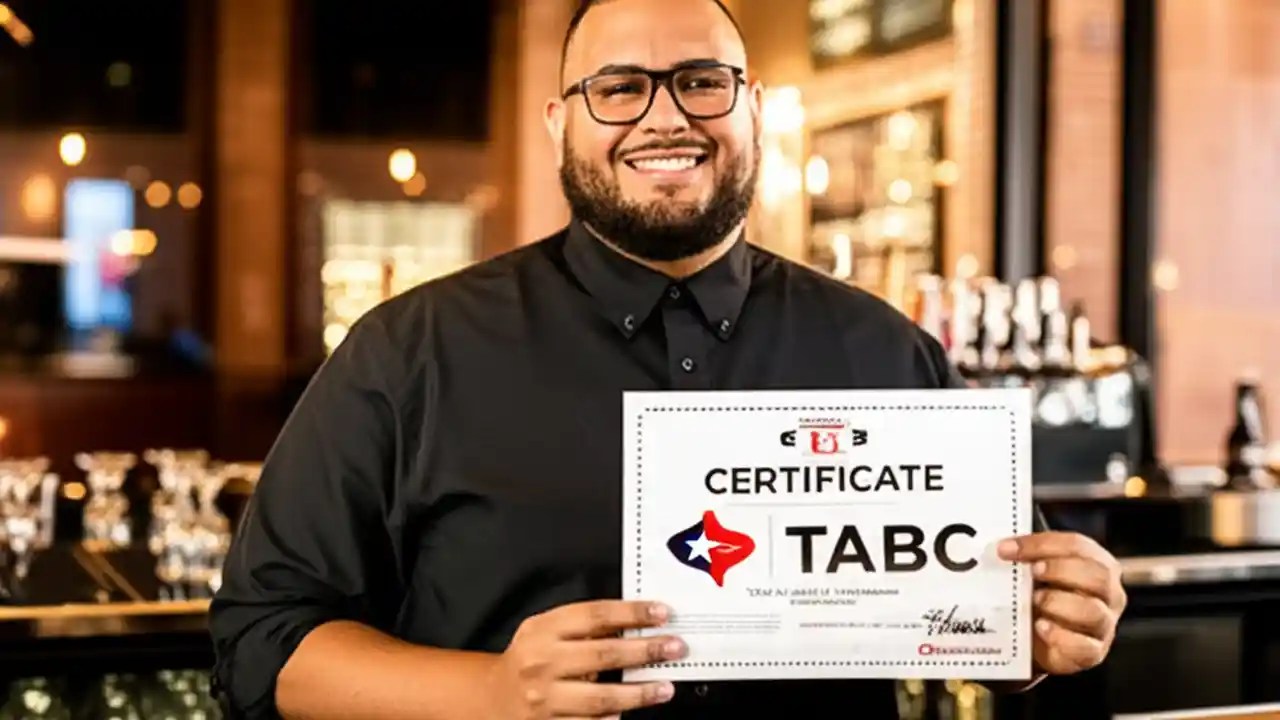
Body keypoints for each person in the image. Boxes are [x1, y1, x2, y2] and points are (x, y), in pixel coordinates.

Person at [208, 0, 1128, 717]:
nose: (664, 117)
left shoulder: (884, 348)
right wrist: (486, 695)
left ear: (754, 110)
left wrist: (1052, 633)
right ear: (559, 122)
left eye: (700, 81)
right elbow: (263, 641)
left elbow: (1007, 628)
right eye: (618, 88)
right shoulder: (409, 351)